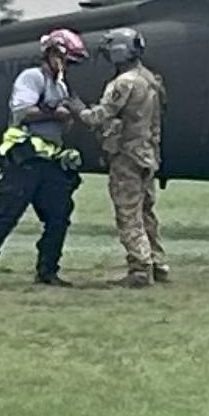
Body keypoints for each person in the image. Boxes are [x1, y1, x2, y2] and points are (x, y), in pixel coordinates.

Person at [0, 29, 87, 289]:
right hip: (24, 162)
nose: (68, 67)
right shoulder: (32, 77)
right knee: (4, 217)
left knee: (59, 216)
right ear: (53, 54)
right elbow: (24, 111)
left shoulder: (61, 85)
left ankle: (47, 271)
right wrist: (57, 113)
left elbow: (60, 126)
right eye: (67, 60)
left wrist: (67, 119)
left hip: (50, 163)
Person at [77, 27, 168, 289]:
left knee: (128, 212)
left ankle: (140, 267)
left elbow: (100, 116)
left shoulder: (124, 83)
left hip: (127, 155)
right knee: (147, 211)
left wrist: (79, 109)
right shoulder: (150, 79)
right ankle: (158, 262)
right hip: (148, 155)